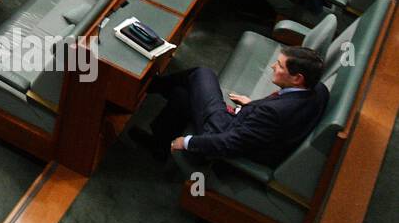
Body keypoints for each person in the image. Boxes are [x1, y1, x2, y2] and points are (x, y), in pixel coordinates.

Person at [133, 47, 328, 165]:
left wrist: (187, 142)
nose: (273, 67)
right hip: (246, 126)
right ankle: (159, 146)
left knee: (202, 73)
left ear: (297, 78)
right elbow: (280, 119)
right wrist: (253, 106)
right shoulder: (318, 90)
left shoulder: (272, 113)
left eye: (279, 66)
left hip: (222, 132)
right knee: (182, 96)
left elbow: (229, 143)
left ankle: (147, 84)